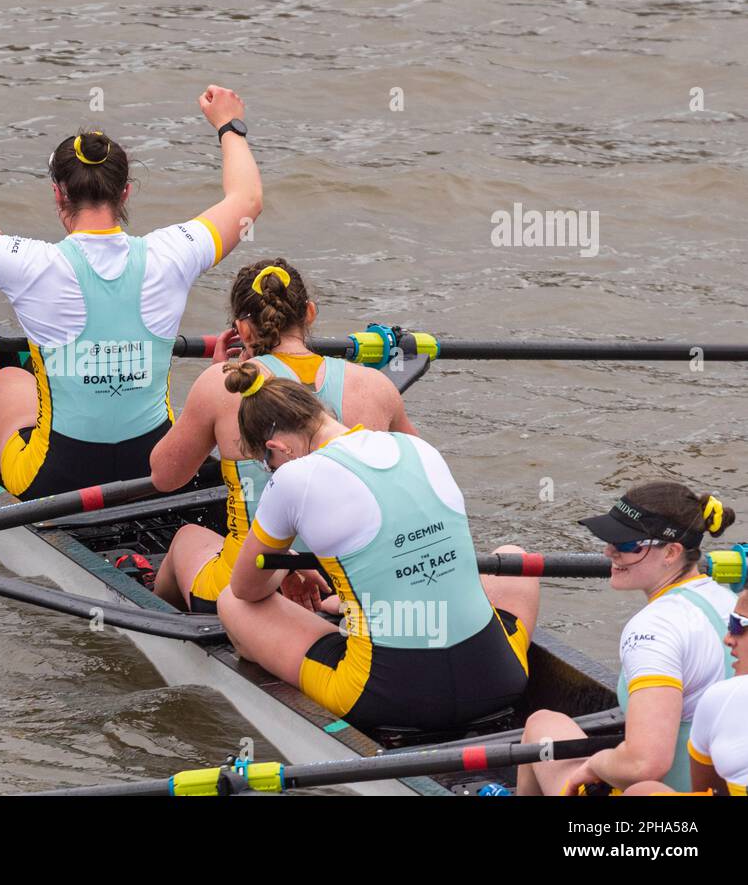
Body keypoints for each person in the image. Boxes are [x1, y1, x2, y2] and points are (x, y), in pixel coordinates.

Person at [0, 85, 262, 498]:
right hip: (156, 467)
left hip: (54, 480)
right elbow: (247, 199)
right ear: (124, 192)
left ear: (58, 193)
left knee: (11, 379)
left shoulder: (30, 263)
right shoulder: (173, 253)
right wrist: (230, 126)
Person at [214, 361, 537, 731]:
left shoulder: (292, 478)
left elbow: (246, 587)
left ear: (277, 447)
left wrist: (286, 562)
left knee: (231, 603)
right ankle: (358, 613)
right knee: (513, 558)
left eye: (266, 463)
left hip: (386, 697)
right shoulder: (416, 446)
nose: (271, 470)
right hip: (499, 678)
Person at [149, 259, 416, 612]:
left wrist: (218, 381)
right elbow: (417, 482)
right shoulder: (375, 387)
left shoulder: (220, 386)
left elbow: (165, 477)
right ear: (309, 313)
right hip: (351, 583)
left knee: (187, 538)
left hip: (250, 586)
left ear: (243, 331)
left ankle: (160, 633)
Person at [517, 483, 736, 795]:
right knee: (545, 723)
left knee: (540, 727)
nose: (609, 551)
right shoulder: (730, 601)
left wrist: (595, 765)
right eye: (609, 540)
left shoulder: (654, 628)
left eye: (626, 543)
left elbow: (644, 764)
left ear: (672, 552)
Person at [626, 585, 748, 796]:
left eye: (737, 625)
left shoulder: (724, 697)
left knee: (642, 791)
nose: (727, 638)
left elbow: (707, 789)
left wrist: (594, 766)